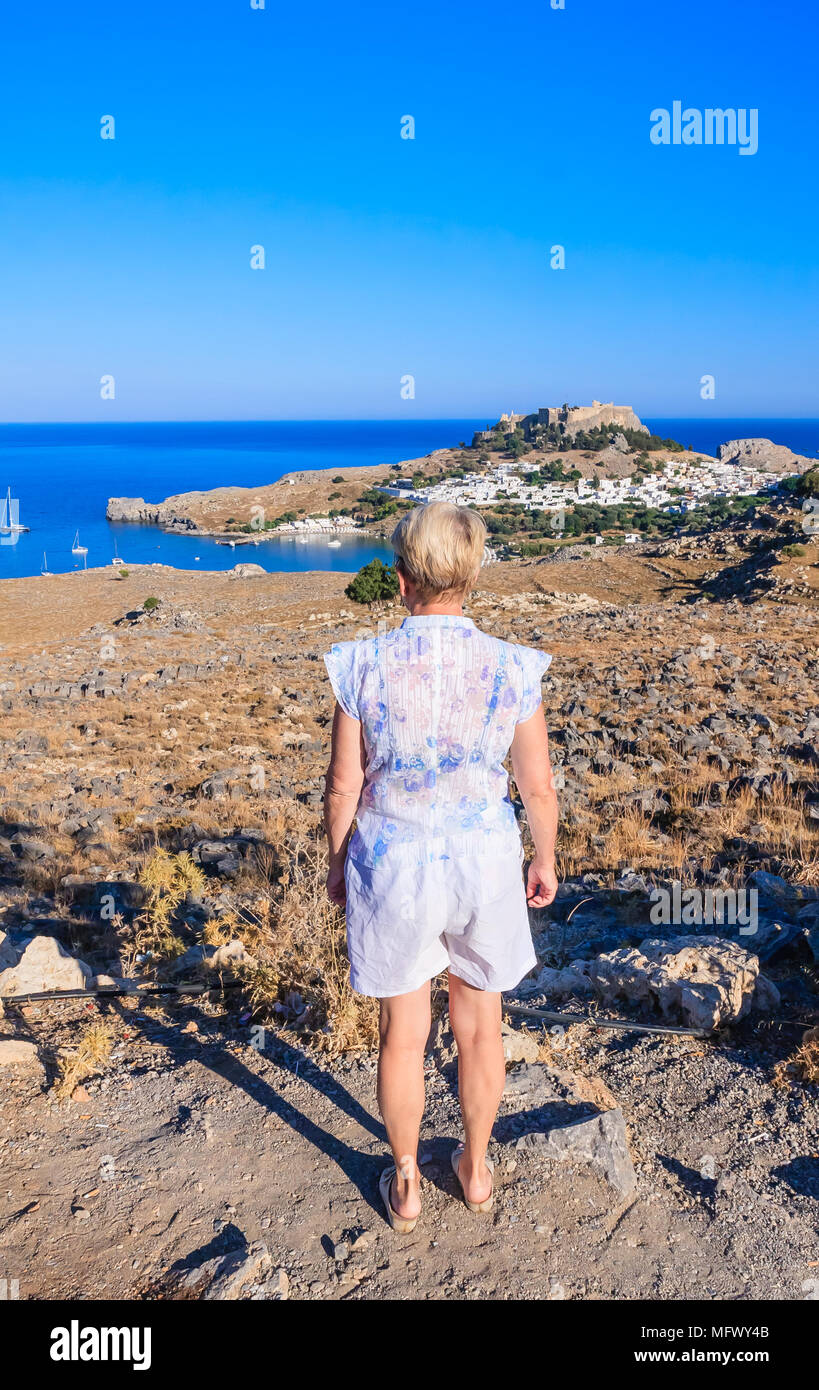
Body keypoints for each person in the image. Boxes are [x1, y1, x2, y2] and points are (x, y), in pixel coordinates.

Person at [322, 501, 559, 1232]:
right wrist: (544, 856)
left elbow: (343, 785)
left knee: (402, 1033)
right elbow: (537, 783)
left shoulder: (361, 664)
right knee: (480, 1028)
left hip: (392, 865)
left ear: (401, 582)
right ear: (472, 575)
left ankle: (405, 1182)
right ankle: (475, 1168)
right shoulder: (513, 668)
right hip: (483, 863)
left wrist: (337, 865)